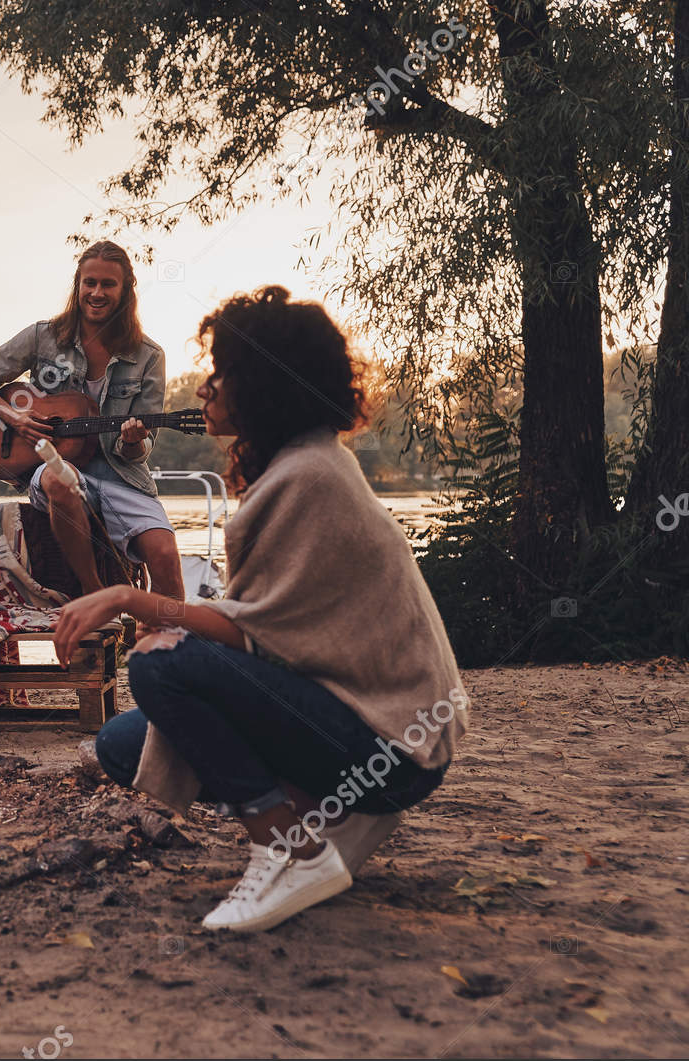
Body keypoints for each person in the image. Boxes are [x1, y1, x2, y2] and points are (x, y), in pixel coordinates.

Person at [55, 286, 467, 933]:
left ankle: (292, 847)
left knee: (161, 669)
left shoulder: (310, 477)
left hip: (391, 738)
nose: (205, 389)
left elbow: (255, 637)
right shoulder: (300, 465)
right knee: (120, 745)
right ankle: (333, 810)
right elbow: (268, 630)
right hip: (361, 722)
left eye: (220, 374)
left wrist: (131, 598)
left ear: (263, 385)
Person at [0, 240, 183, 598]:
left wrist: (131, 441)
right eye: (89, 283)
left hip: (121, 477)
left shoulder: (148, 356)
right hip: (55, 466)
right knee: (59, 479)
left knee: (166, 558)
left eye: (108, 284)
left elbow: (142, 449)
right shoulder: (43, 336)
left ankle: (160, 647)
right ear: (78, 285)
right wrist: (13, 416)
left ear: (126, 290)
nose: (96, 292)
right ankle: (94, 593)